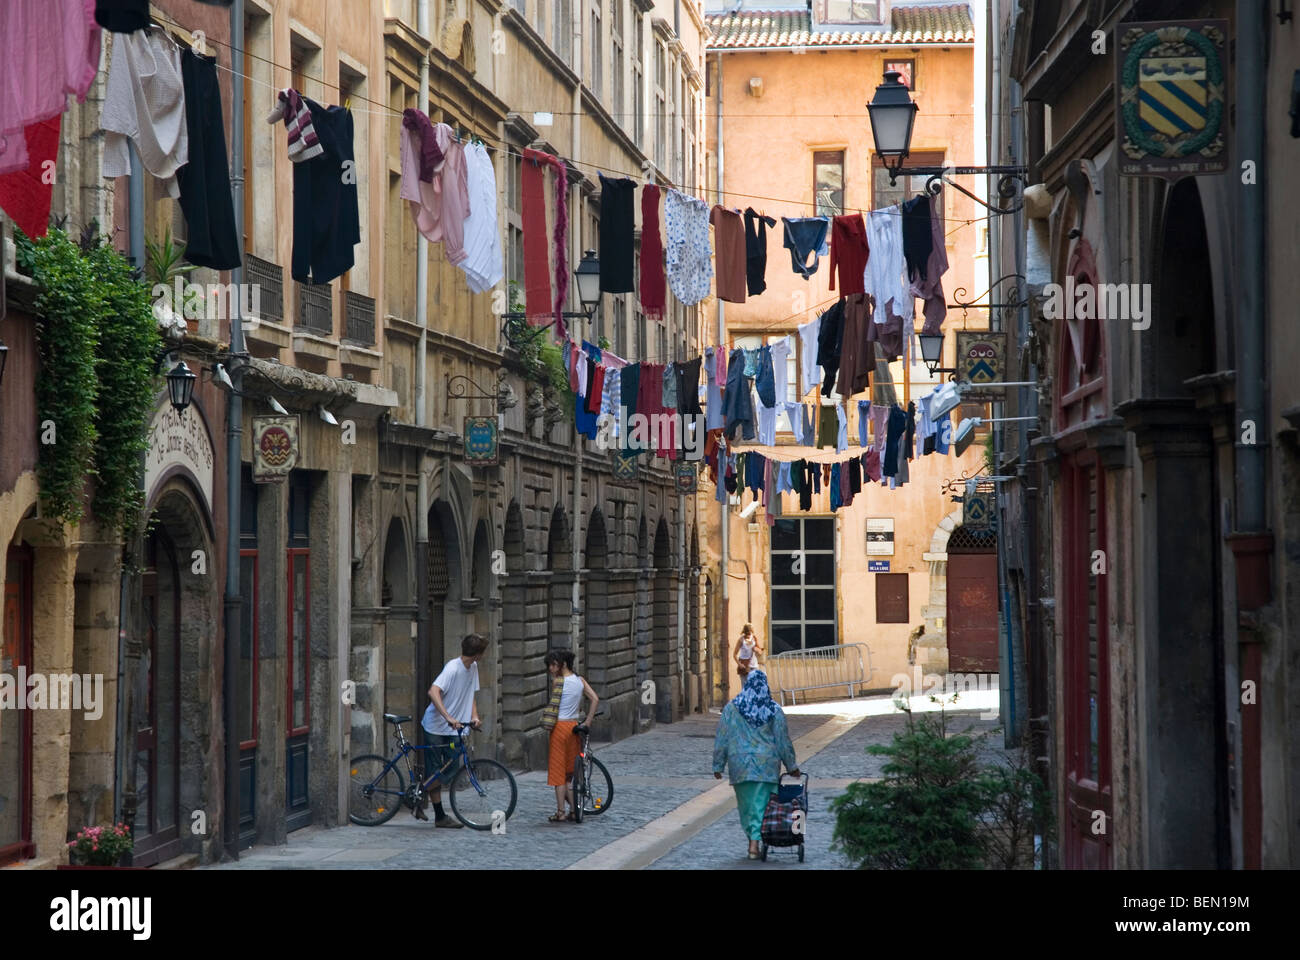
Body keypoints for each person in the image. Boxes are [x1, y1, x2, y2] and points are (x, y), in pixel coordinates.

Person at [713, 669, 799, 859]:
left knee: (747, 806)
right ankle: (754, 841)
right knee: (764, 805)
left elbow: (722, 737)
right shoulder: (773, 710)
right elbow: (783, 741)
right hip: (766, 765)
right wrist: (792, 766)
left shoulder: (731, 708)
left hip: (740, 766)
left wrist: (718, 765)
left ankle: (752, 842)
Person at [417, 633, 488, 827]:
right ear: (478, 654)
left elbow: (470, 694)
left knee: (450, 768)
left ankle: (421, 791)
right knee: (436, 770)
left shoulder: (472, 667)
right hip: (435, 728)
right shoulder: (452, 668)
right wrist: (448, 717)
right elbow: (433, 691)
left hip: (454, 730)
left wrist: (474, 716)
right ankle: (439, 816)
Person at [544, 649, 599, 823]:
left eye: (553, 665)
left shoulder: (558, 682)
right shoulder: (580, 681)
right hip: (574, 727)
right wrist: (587, 722)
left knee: (558, 773)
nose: (551, 669)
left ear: (563, 664)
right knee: (570, 773)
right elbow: (595, 699)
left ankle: (560, 812)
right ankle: (575, 811)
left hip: (559, 728)